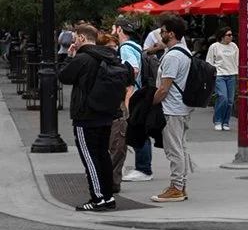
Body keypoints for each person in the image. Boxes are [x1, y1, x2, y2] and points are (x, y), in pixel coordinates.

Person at [58, 23, 132, 211]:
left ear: (82, 38)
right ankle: (107, 196)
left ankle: (97, 198)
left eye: (75, 37)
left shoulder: (83, 58)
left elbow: (64, 76)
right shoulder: (107, 55)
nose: (73, 40)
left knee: (90, 158)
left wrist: (69, 56)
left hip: (86, 115)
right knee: (103, 155)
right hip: (106, 113)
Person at [152, 16, 194, 201]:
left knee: (174, 150)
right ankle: (180, 185)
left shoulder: (173, 56)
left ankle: (176, 187)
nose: (160, 35)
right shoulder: (185, 52)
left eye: (162, 31)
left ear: (171, 33)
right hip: (182, 107)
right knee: (181, 148)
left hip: (172, 108)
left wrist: (150, 103)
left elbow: (164, 88)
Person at [109, 18, 153, 180]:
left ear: (119, 29)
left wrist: (127, 93)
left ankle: (143, 168)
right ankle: (142, 166)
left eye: (113, 27)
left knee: (136, 129)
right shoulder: (135, 46)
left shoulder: (126, 48)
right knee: (138, 129)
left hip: (132, 93)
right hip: (140, 91)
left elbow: (133, 69)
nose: (111, 29)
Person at [207, 27, 239, 131]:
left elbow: (237, 60)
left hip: (232, 74)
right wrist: (211, 74)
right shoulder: (214, 47)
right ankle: (218, 120)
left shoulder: (234, 46)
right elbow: (209, 61)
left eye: (231, 35)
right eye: (228, 35)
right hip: (219, 74)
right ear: (222, 36)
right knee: (223, 97)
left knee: (230, 101)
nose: (231, 37)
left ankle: (226, 121)